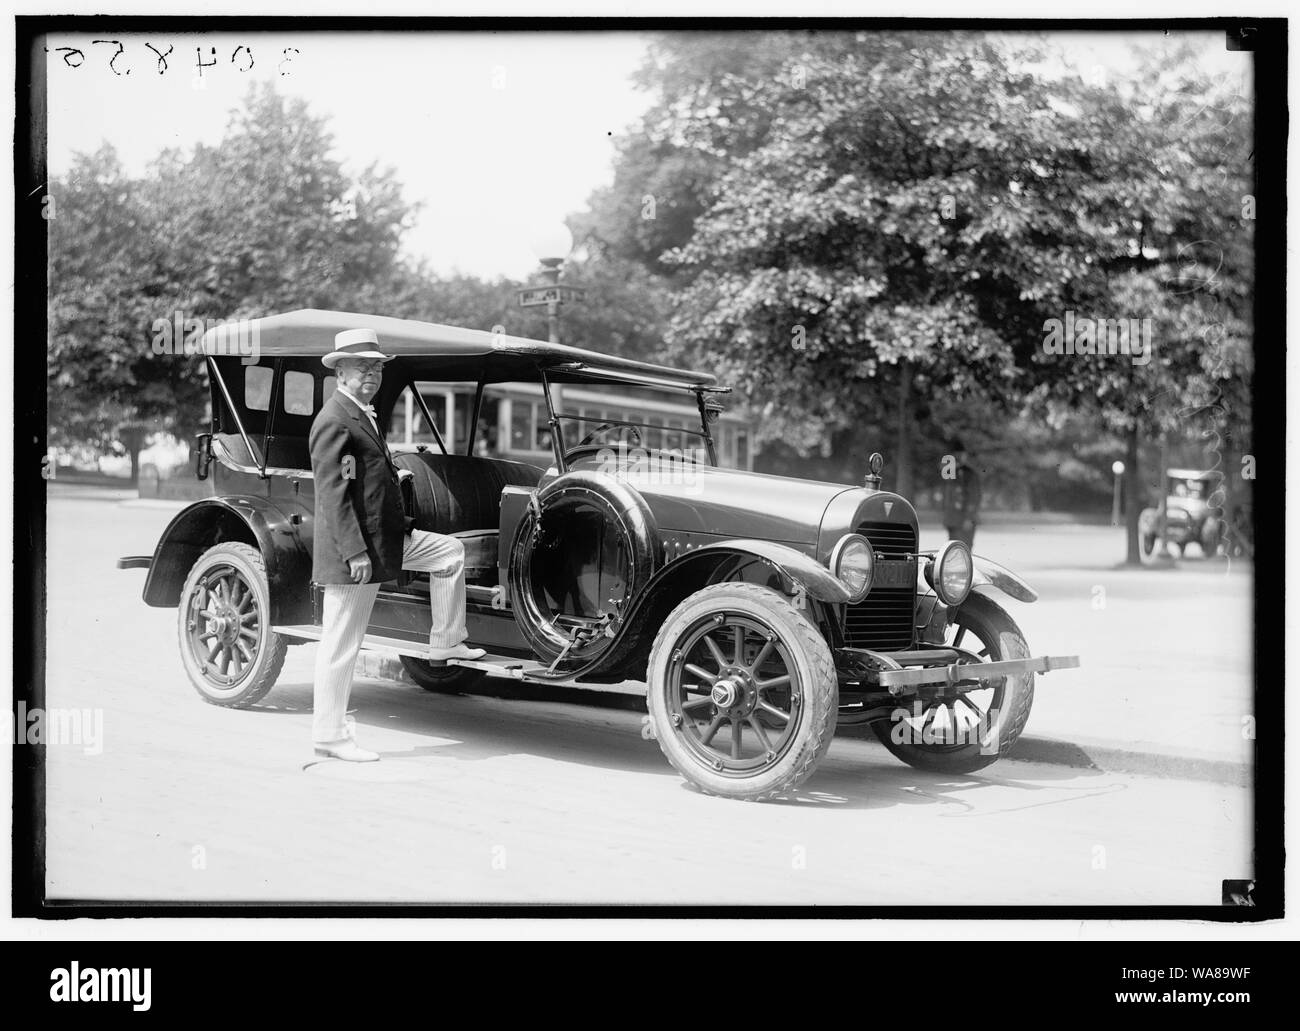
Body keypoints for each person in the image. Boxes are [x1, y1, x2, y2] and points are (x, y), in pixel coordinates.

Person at [310, 328, 484, 762]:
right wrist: (354, 552)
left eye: (376, 367)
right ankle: (329, 735)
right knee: (341, 644)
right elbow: (333, 496)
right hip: (356, 553)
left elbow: (366, 482)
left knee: (448, 553)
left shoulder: (359, 414)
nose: (371, 373)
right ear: (340, 371)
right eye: (362, 367)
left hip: (385, 540)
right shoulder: (334, 419)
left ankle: (446, 641)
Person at [942, 439, 982, 548]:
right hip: (953, 521)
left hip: (964, 520)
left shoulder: (970, 474)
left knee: (965, 550)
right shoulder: (950, 473)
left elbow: (974, 497)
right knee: (953, 551)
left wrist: (969, 518)